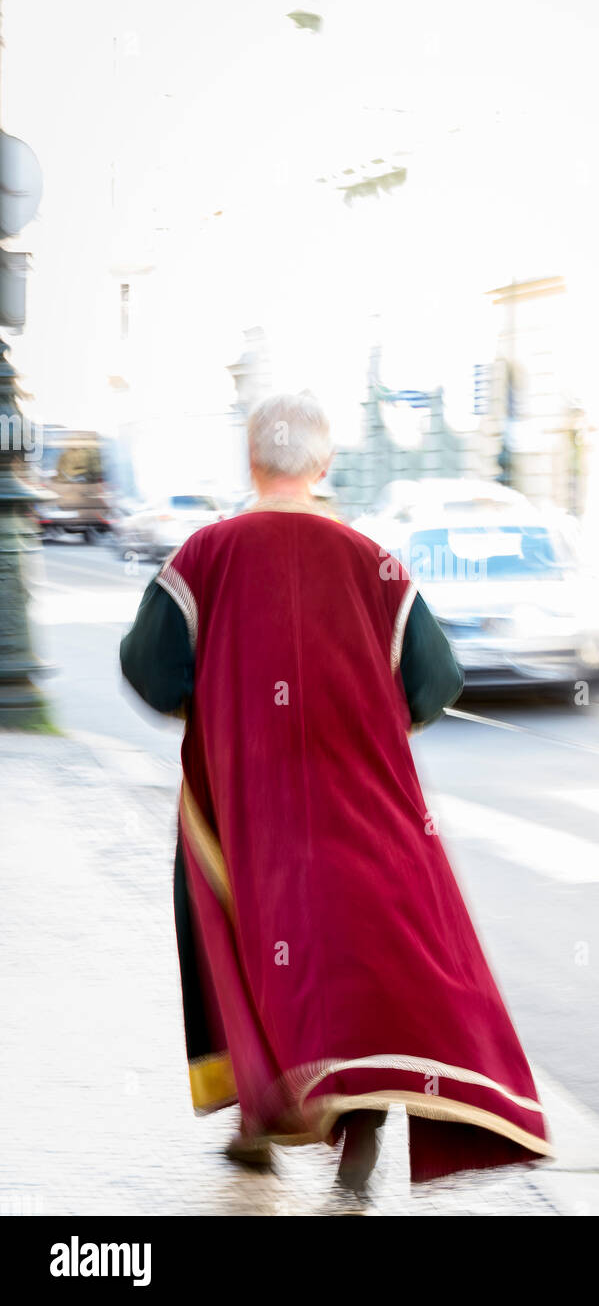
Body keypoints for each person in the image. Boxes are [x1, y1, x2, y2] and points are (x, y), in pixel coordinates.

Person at [120, 390, 551, 1190]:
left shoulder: (204, 555)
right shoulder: (375, 562)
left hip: (242, 810)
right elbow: (436, 679)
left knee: (239, 937)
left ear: (253, 463)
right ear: (322, 467)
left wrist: (213, 703)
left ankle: (256, 1120)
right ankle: (358, 1137)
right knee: (358, 964)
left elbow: (149, 669)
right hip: (359, 809)